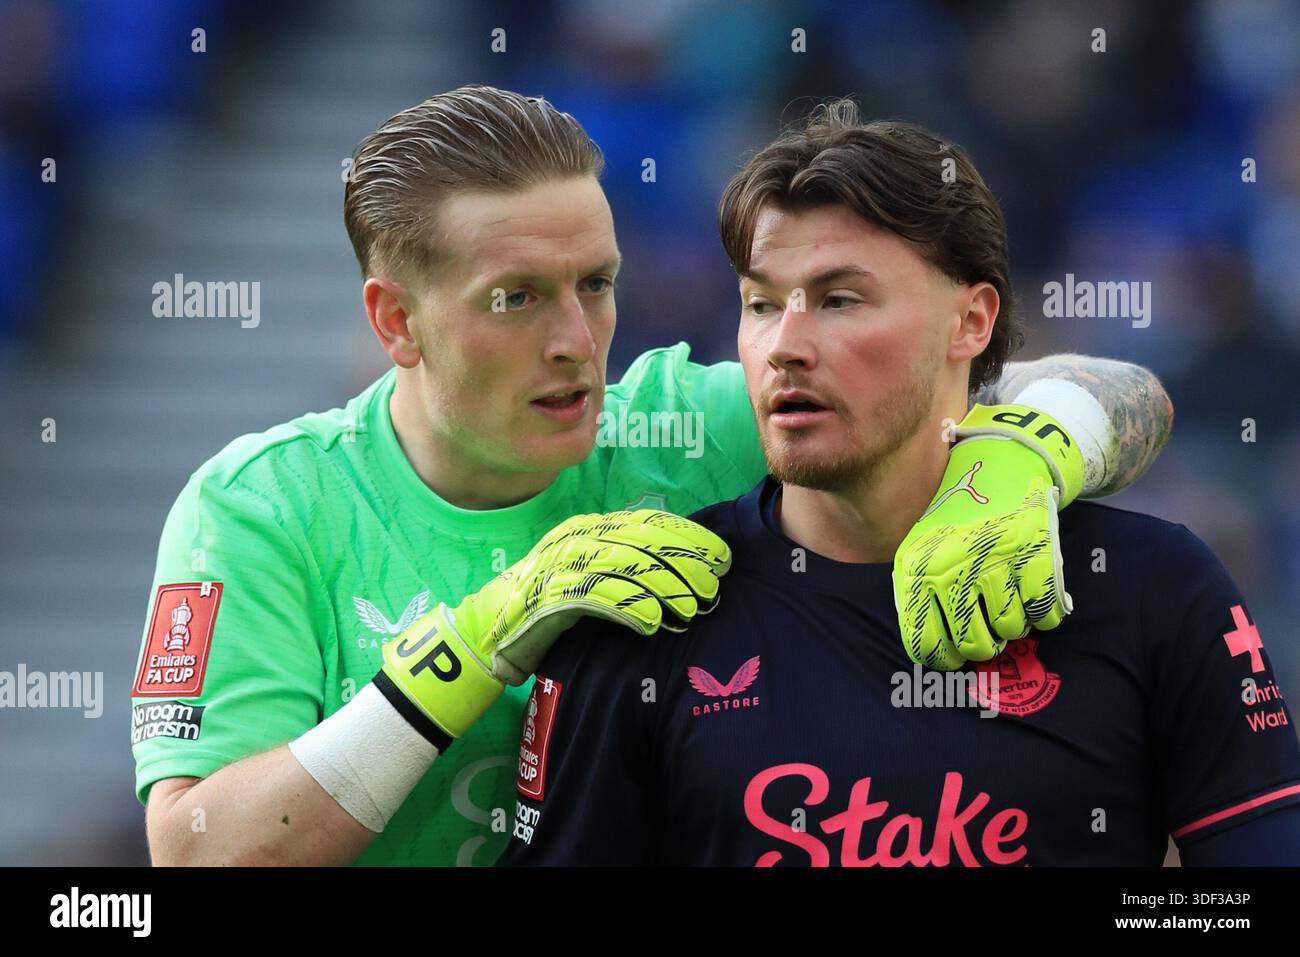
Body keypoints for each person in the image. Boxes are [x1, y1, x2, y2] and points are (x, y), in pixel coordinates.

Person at [133, 86, 1173, 866]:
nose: (579, 341)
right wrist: (475, 641)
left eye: (596, 283)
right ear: (396, 321)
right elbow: (194, 854)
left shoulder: (678, 429)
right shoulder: (264, 507)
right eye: (517, 299)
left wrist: (1011, 457)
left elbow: (1115, 388)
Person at [499, 101, 1300, 867]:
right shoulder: (643, 616)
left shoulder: (1152, 586)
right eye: (760, 304)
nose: (785, 345)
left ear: (972, 321)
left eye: (841, 300)